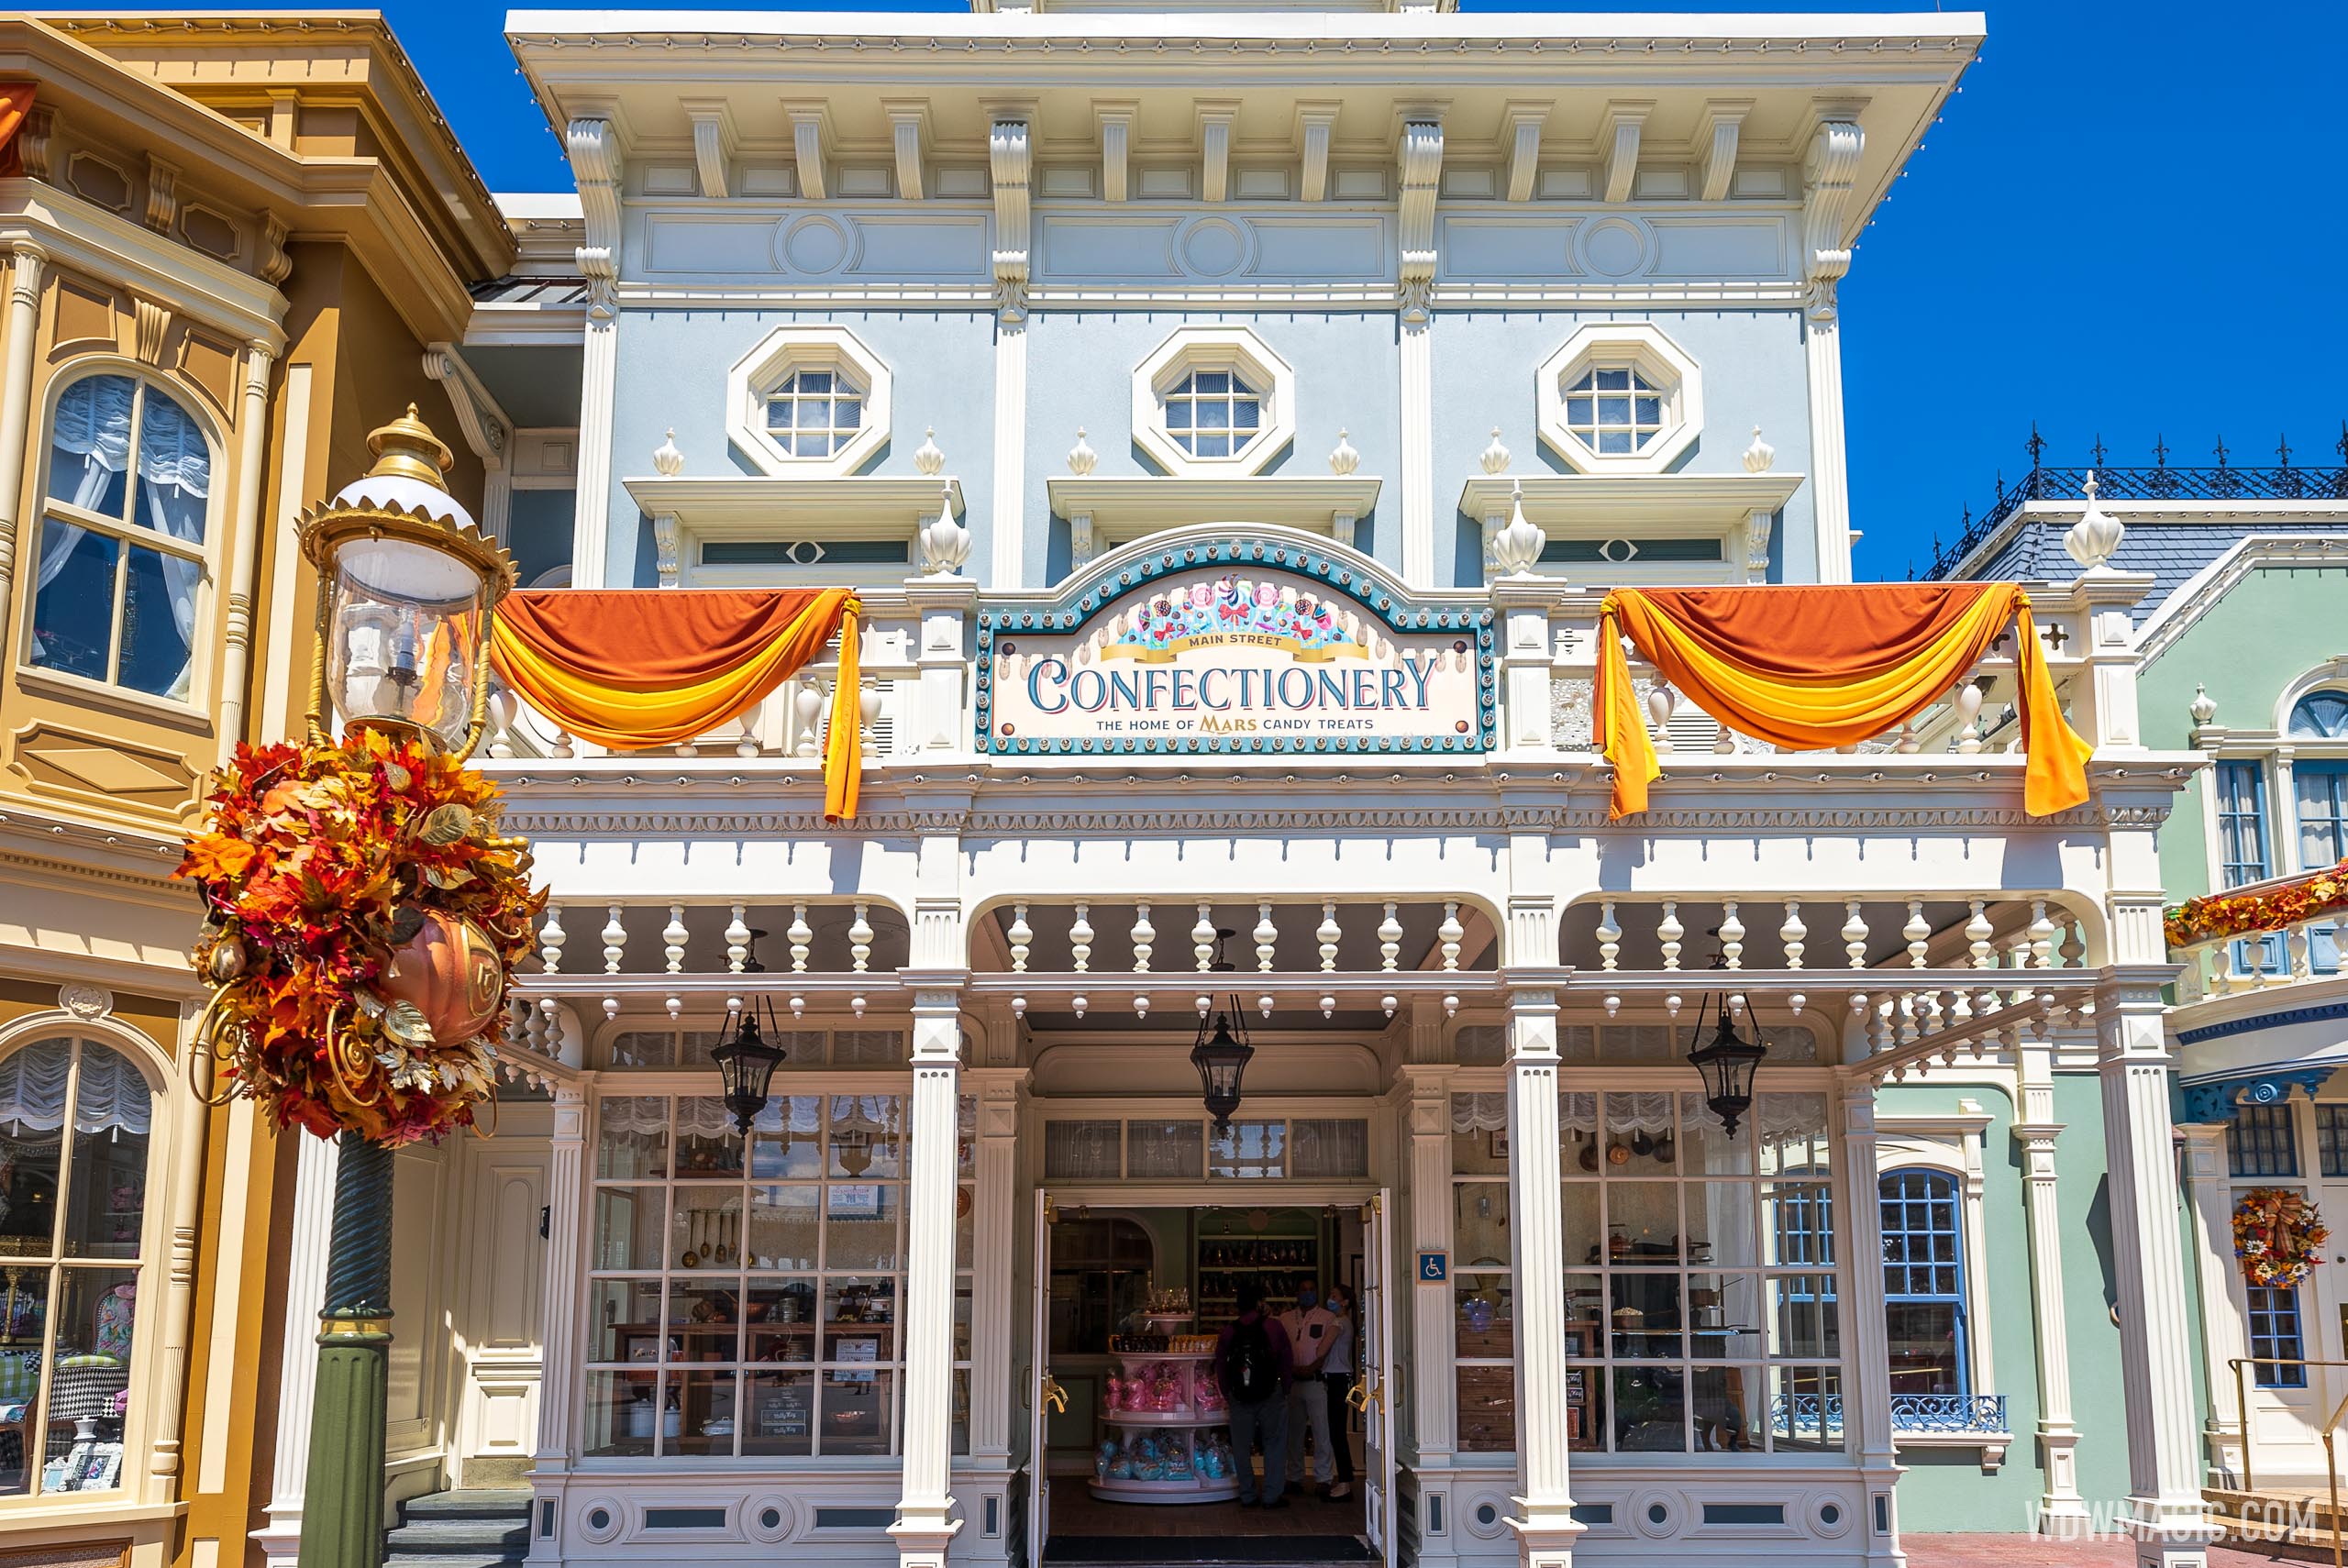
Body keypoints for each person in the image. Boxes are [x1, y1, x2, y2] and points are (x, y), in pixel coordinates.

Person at [1214, 1278, 1294, 1507]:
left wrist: (1227, 1391)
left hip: (1240, 1397)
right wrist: (1285, 1387)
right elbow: (1286, 1359)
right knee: (1274, 1443)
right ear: (1259, 1303)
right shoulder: (1274, 1327)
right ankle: (1271, 1495)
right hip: (1271, 1394)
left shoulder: (1229, 1332)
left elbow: (1221, 1364)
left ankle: (1247, 1494)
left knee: (1240, 1446)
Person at [1278, 1275, 1338, 1495]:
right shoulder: (1284, 1318)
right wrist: (1290, 1369)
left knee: (1322, 1431)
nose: (1307, 1293)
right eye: (1303, 1289)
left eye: (1311, 1289)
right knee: (1294, 1433)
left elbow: (1328, 1348)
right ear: (1296, 1293)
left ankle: (1323, 1478)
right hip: (1293, 1382)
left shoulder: (1328, 1317)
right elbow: (1281, 1349)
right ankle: (1294, 1477)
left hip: (1316, 1381)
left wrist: (1313, 1367)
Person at [1320, 1282, 1357, 1499]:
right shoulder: (1346, 1323)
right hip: (1339, 1379)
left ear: (1344, 1302)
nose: (1330, 1299)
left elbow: (1322, 1349)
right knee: (1337, 1432)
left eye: (1334, 1296)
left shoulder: (1338, 1323)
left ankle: (1345, 1482)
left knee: (1337, 1433)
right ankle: (1344, 1479)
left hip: (1337, 1379)